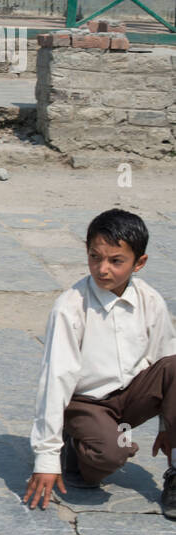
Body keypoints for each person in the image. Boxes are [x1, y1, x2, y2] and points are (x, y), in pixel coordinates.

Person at [24, 210, 176, 518]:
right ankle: (77, 450)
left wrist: (169, 425)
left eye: (116, 261)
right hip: (88, 403)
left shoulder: (150, 300)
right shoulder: (70, 307)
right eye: (95, 257)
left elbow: (165, 361)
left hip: (132, 396)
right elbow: (56, 378)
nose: (102, 269)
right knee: (109, 456)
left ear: (140, 263)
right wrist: (46, 459)